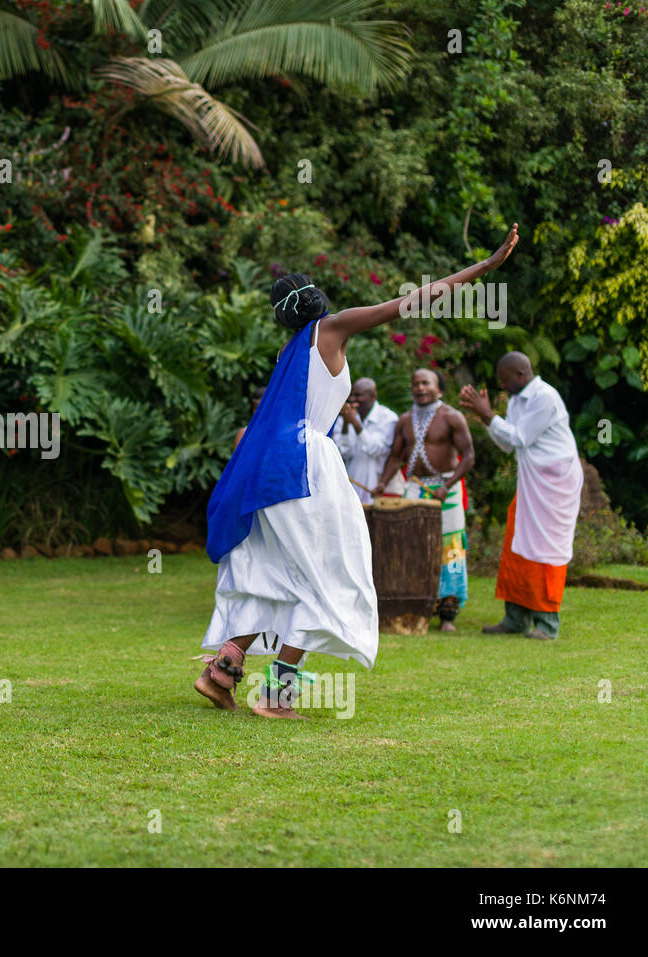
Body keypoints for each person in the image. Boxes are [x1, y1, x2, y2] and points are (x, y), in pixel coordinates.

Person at [195, 224, 519, 718]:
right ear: (315, 300)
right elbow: (409, 303)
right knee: (327, 572)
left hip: (272, 467)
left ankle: (222, 672)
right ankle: (276, 696)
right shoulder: (332, 328)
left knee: (272, 568)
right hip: (306, 465)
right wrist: (485, 268)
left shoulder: (290, 351)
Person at [460, 353, 583, 640]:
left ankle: (547, 624)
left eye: (505, 379)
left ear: (521, 373)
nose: (502, 385)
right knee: (517, 542)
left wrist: (488, 414)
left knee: (546, 547)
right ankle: (515, 619)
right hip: (532, 481)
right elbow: (507, 444)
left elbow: (519, 438)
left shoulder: (544, 398)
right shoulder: (517, 399)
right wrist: (486, 416)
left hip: (555, 482)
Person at [374, 368, 475, 631]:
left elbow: (469, 456)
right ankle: (418, 609)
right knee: (414, 547)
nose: (419, 388)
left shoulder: (452, 417)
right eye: (415, 383)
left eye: (425, 383)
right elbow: (396, 457)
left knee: (450, 547)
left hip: (447, 490)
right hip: (415, 488)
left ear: (439, 388)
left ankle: (447, 615)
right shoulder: (405, 421)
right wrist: (383, 482)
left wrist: (448, 485)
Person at [333, 377, 404, 503]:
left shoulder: (388, 418)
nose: (352, 399)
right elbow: (342, 452)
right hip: (352, 487)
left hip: (381, 489)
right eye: (351, 395)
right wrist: (346, 423)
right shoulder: (343, 418)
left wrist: (355, 423)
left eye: (358, 395)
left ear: (373, 396)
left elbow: (376, 449)